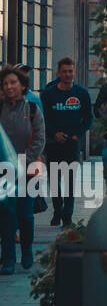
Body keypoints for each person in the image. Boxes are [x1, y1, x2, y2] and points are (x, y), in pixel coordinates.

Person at [0, 67, 44, 271]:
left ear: (23, 86)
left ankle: (26, 251)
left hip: (27, 169)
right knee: (6, 214)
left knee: (25, 214)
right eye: (6, 83)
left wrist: (23, 161)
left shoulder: (33, 109)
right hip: (4, 171)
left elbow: (39, 139)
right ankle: (8, 259)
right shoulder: (1, 109)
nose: (9, 86)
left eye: (13, 83)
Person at [40, 57, 92, 228]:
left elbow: (88, 119)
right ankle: (57, 210)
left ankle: (67, 216)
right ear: (58, 73)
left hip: (72, 144)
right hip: (54, 144)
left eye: (70, 71)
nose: (68, 74)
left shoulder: (81, 93)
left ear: (74, 72)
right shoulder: (48, 94)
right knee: (55, 180)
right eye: (64, 71)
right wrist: (54, 133)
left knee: (70, 181)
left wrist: (78, 134)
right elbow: (43, 119)